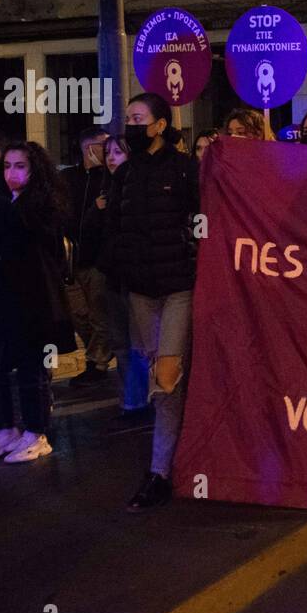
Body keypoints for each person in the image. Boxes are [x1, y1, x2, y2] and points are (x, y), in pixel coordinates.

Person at [105, 92, 201, 510]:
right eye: (127, 118)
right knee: (158, 379)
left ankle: (160, 471)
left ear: (161, 124)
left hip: (178, 288)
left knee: (166, 378)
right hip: (141, 291)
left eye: (138, 118)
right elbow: (115, 228)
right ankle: (176, 451)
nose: (131, 125)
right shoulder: (124, 175)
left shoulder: (184, 170)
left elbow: (202, 221)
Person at [0, 142, 75, 463]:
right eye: (8, 166)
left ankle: (35, 433)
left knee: (30, 369)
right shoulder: (1, 200)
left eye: (20, 166)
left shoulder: (42, 202)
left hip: (33, 300)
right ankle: (2, 429)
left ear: (35, 169)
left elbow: (18, 223)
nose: (12, 173)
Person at [86, 134, 151, 426]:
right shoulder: (103, 189)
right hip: (112, 277)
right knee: (121, 342)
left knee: (139, 343)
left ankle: (145, 400)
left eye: (118, 152)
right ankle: (130, 402)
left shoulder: (135, 189)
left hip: (135, 279)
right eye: (108, 152)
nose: (111, 157)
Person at [62, 127, 112, 389]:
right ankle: (101, 351)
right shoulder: (68, 178)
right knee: (77, 312)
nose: (107, 152)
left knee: (98, 312)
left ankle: (97, 361)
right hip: (71, 258)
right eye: (102, 146)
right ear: (87, 148)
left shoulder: (109, 178)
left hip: (98, 259)